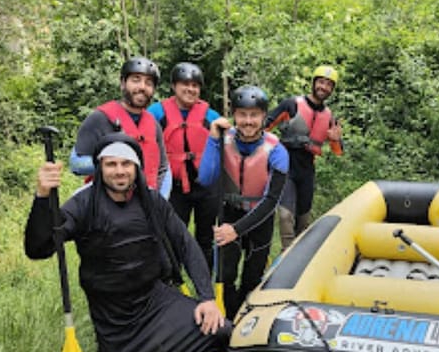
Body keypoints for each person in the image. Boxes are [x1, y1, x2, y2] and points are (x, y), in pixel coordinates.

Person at [25, 132, 230, 352]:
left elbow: (186, 245)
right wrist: (42, 196)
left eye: (126, 164)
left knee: (223, 330)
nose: (119, 171)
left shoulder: (152, 201)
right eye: (111, 164)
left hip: (156, 302)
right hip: (114, 319)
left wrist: (206, 297)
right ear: (100, 167)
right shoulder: (83, 204)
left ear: (136, 167)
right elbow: (38, 249)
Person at [198, 85, 289, 319]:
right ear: (234, 115)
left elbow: (271, 201)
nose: (248, 121)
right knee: (225, 275)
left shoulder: (277, 151)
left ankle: (245, 319)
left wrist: (235, 231)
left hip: (259, 220)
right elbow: (206, 178)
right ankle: (227, 321)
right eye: (242, 114)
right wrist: (213, 139)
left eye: (254, 115)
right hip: (229, 213)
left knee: (252, 276)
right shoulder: (224, 140)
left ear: (263, 117)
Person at [147, 62, 222, 268]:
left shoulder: (211, 116)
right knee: (173, 236)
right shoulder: (157, 113)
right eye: (185, 84)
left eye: (195, 85)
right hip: (175, 187)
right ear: (174, 86)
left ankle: (205, 283)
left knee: (205, 237)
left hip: (207, 188)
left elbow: (230, 145)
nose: (191, 89)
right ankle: (174, 282)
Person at [265, 65, 343, 250]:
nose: (323, 87)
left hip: (307, 169)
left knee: (303, 221)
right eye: (321, 82)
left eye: (329, 85)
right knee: (285, 216)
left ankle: (299, 260)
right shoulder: (291, 105)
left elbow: (338, 151)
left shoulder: (330, 116)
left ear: (332, 90)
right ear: (314, 82)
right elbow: (264, 127)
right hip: (286, 166)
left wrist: (335, 140)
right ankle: (286, 256)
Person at [69, 56, 171, 198]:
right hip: (105, 204)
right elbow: (76, 164)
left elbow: (164, 169)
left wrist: (161, 203)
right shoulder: (99, 118)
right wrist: (113, 161)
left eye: (148, 83)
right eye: (136, 80)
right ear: (123, 83)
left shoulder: (154, 125)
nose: (142, 87)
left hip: (144, 206)